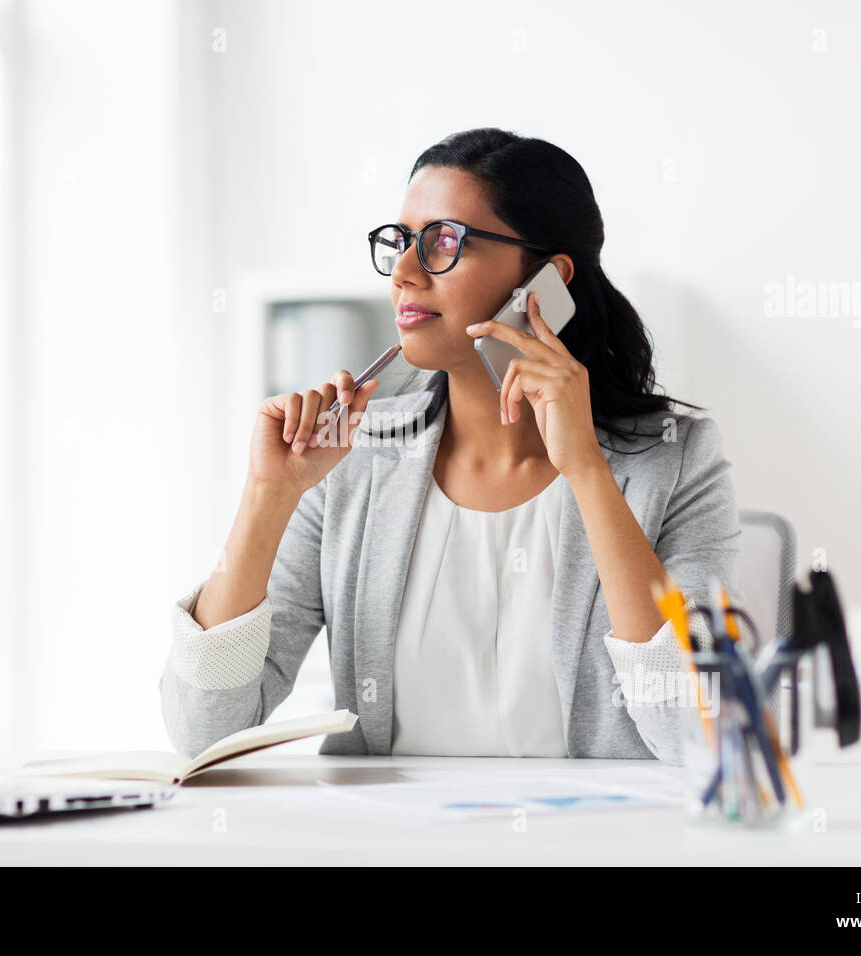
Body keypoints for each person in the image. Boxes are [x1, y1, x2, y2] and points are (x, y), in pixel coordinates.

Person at [162, 127, 743, 764]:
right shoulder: (354, 458)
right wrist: (267, 496)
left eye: (443, 242)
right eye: (400, 242)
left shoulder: (676, 459)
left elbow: (697, 735)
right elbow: (204, 732)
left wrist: (586, 469)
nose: (405, 274)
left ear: (548, 278)